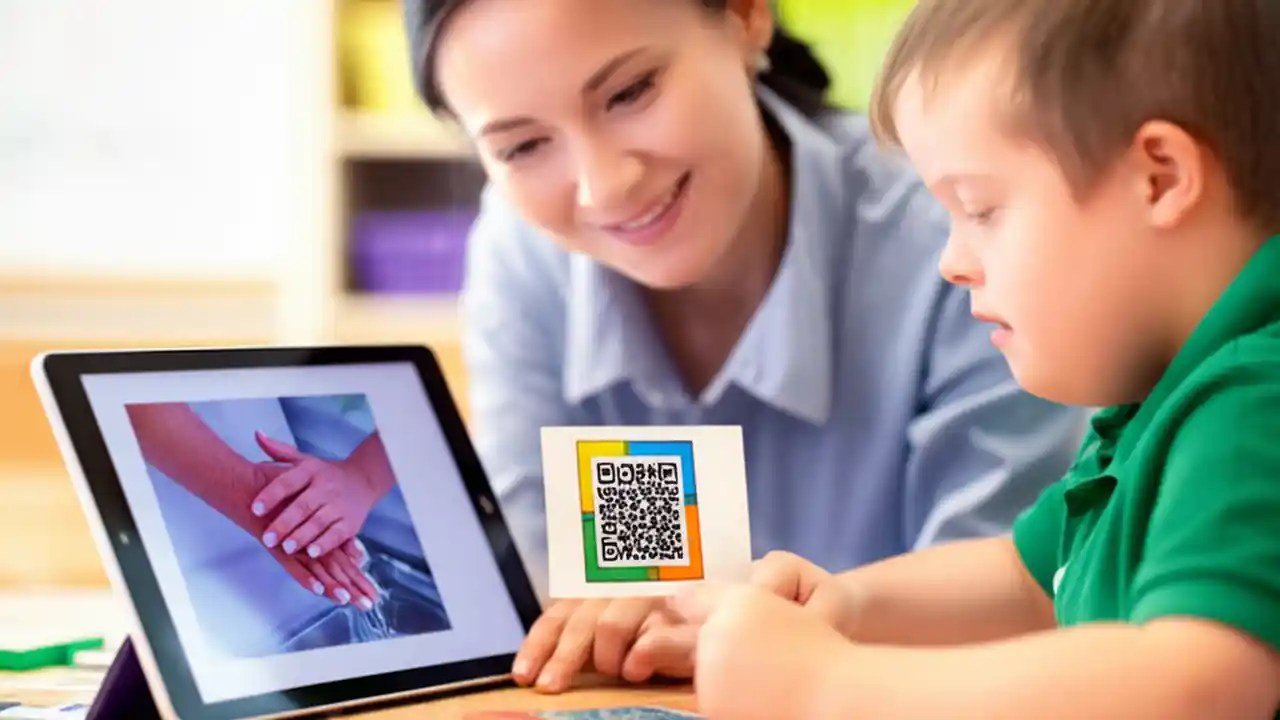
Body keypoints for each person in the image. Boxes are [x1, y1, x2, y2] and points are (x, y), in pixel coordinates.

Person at [404, 0, 1087, 693]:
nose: (604, 185)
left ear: (745, 17)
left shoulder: (955, 230)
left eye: (631, 92)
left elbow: (1020, 596)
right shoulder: (532, 257)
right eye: (523, 146)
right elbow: (596, 614)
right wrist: (643, 625)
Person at [650, 1, 1280, 718]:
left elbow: (1200, 682)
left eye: (980, 210)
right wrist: (851, 602)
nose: (951, 262)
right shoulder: (1160, 402)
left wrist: (826, 688)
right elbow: (1028, 581)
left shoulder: (1252, 402)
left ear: (1159, 178)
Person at [128, 400, 389, 610]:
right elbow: (128, 384)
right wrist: (247, 489)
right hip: (162, 488)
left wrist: (365, 477)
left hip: (251, 444)